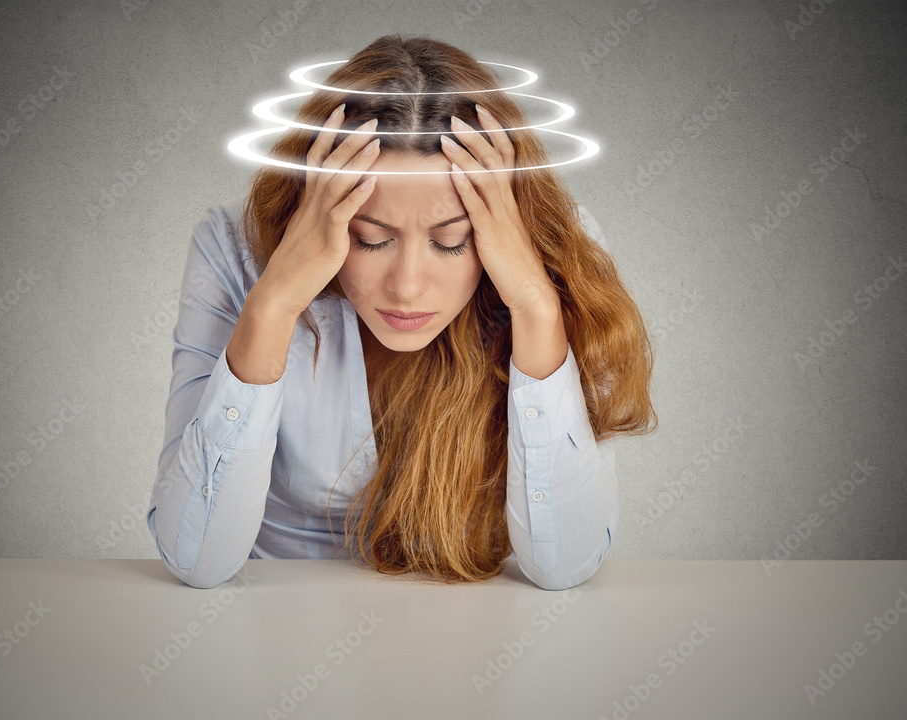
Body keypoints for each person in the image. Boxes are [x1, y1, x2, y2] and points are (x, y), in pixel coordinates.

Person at [147, 34, 656, 591]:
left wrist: (534, 304)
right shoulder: (233, 248)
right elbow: (196, 559)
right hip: (277, 617)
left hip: (476, 624)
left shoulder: (560, 254)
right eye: (370, 239)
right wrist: (274, 303)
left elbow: (565, 566)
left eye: (451, 241)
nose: (407, 287)